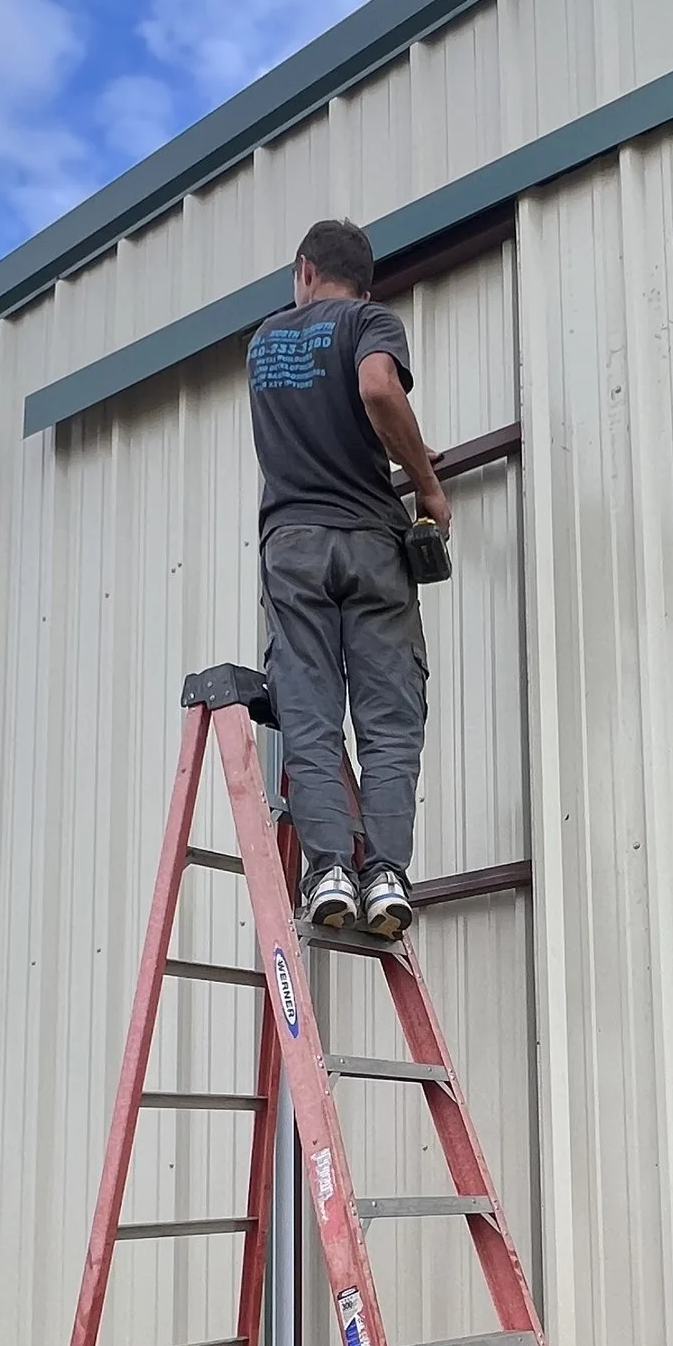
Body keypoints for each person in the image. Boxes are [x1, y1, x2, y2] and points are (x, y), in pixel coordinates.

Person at [246, 218, 451, 939]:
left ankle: (328, 866)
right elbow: (374, 387)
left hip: (292, 544)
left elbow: (328, 418)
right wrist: (426, 485)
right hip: (369, 541)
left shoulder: (264, 343)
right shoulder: (371, 320)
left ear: (304, 270)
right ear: (364, 283)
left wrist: (400, 438)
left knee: (308, 711)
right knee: (389, 719)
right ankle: (386, 874)